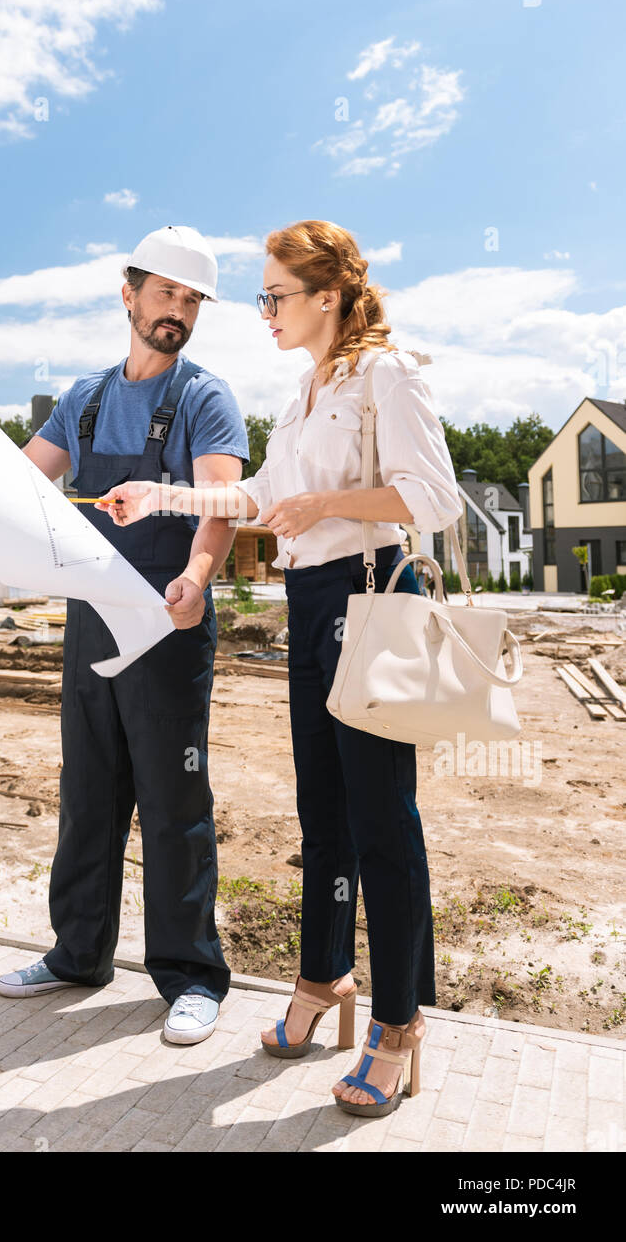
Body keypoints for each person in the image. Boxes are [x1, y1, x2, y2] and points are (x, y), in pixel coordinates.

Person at [98, 219, 463, 1112]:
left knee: (383, 817)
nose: (262, 310)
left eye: (274, 295)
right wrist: (163, 493)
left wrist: (328, 501)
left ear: (326, 295)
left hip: (372, 596)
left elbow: (435, 499)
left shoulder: (386, 372)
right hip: (311, 605)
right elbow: (257, 498)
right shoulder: (305, 392)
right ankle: (322, 976)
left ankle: (401, 1021)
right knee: (322, 810)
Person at [0, 225, 249, 1045]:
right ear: (129, 294)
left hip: (168, 619)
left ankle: (190, 975)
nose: (177, 312)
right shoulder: (82, 398)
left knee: (172, 798)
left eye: (191, 301)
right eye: (165, 295)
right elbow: (21, 483)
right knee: (89, 791)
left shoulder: (204, 399)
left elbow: (219, 505)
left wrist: (195, 581)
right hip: (90, 618)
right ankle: (77, 954)